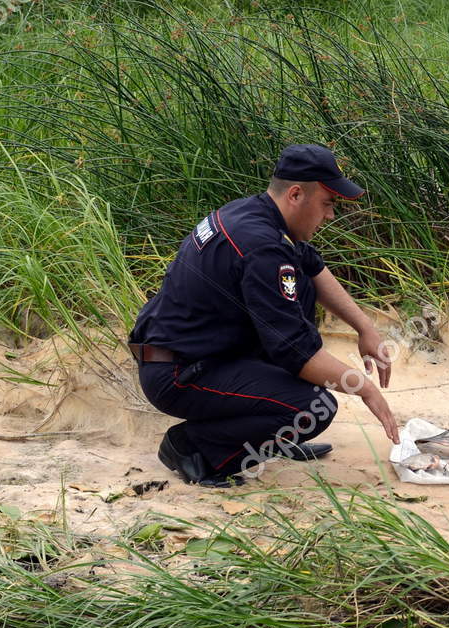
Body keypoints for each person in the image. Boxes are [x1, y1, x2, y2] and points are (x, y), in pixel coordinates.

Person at [129, 143, 400, 487]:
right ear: (297, 194)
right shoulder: (262, 247)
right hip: (179, 373)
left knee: (299, 283)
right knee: (312, 408)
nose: (330, 215)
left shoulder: (257, 214)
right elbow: (294, 350)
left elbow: (313, 268)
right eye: (327, 203)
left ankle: (273, 438)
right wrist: (365, 390)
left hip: (196, 354)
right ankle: (193, 448)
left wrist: (365, 328)